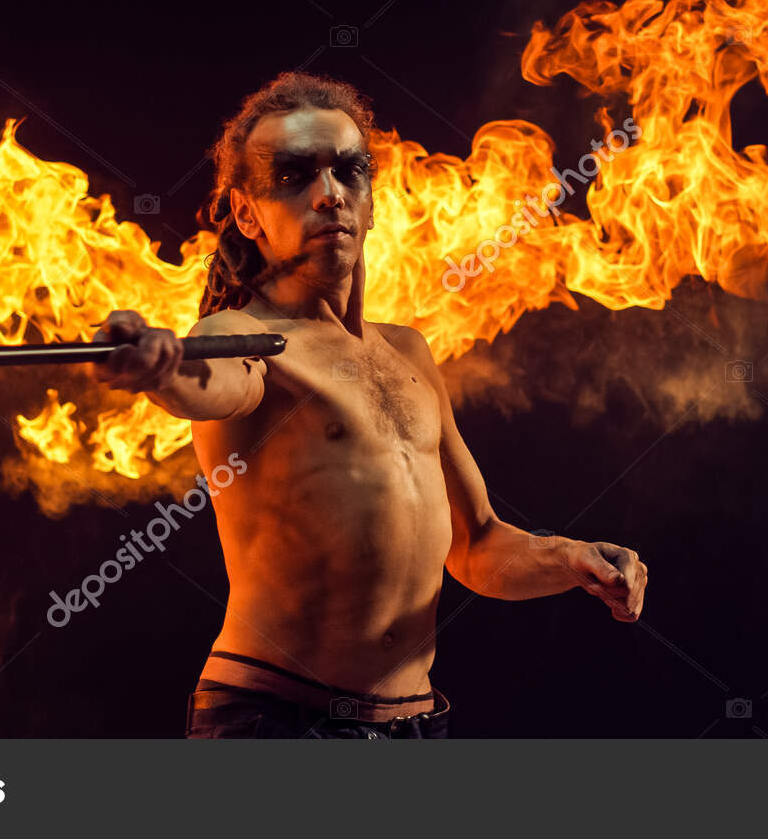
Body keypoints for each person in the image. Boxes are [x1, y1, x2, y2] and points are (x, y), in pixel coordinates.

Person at [93, 72, 648, 738]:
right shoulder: (242, 338)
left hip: (413, 729)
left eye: (348, 171)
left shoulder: (409, 354)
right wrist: (157, 369)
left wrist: (570, 559)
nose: (330, 195)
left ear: (371, 197)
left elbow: (476, 546)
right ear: (247, 213)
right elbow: (208, 384)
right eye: (296, 175)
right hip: (279, 724)